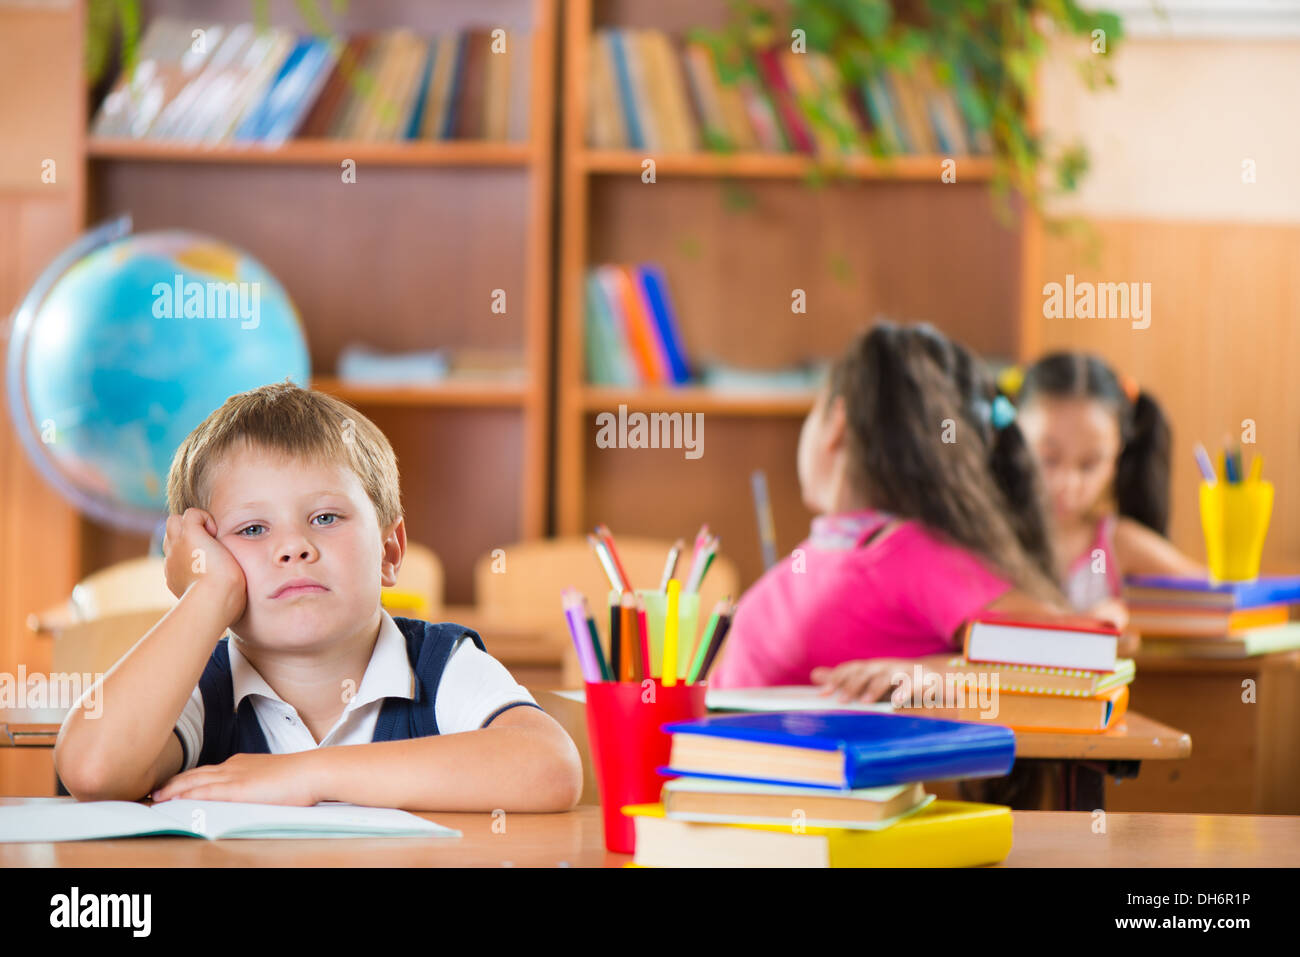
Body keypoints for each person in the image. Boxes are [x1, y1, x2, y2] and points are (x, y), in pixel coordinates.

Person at [55, 381, 583, 811]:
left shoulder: (439, 665)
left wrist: (303, 776)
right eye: (253, 530)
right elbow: (93, 772)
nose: (294, 548)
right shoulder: (200, 686)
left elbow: (549, 767)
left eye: (325, 518)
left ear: (389, 551)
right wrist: (206, 594)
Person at [1014, 352, 1204, 626]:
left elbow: (1221, 597)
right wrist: (1080, 624)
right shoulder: (983, 539)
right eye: (1049, 458)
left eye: (1089, 464)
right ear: (1016, 439)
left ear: (1117, 457)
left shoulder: (1118, 544)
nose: (1068, 483)